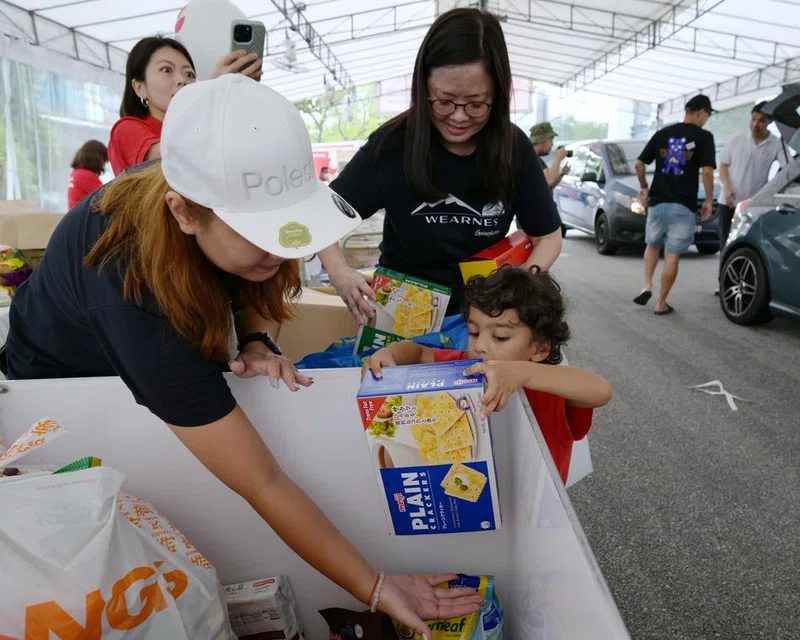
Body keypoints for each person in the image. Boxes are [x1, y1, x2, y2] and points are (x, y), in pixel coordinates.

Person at [4, 75, 480, 636]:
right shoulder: (131, 294)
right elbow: (261, 480)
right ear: (183, 213)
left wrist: (258, 339)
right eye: (262, 234)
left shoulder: (198, 198)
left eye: (291, 232)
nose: (282, 252)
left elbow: (254, 279)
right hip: (62, 398)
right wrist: (375, 586)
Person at [324, 8, 563, 324]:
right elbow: (324, 216)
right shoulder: (392, 145)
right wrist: (340, 273)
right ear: (423, 87)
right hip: (402, 308)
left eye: (476, 104)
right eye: (445, 101)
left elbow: (548, 237)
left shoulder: (513, 148)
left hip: (483, 314)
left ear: (498, 95)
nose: (460, 116)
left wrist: (518, 287)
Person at [363, 266, 612, 484]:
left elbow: (601, 390)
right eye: (473, 332)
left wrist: (521, 373)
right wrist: (390, 353)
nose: (480, 345)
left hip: (535, 514)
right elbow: (417, 353)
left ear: (540, 348)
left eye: (500, 337)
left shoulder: (553, 387)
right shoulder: (466, 367)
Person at [108, 36, 262, 176]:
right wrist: (211, 92)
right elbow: (171, 156)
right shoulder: (126, 129)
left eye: (189, 74)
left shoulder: (200, 126)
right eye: (166, 70)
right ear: (139, 87)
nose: (182, 80)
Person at [633, 95, 717, 315]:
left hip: (658, 201)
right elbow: (707, 171)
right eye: (707, 115)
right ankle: (661, 303)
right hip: (683, 205)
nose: (706, 119)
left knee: (652, 245)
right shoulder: (704, 137)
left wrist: (644, 187)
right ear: (701, 112)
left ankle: (647, 285)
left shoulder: (662, 134)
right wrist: (708, 200)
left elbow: (639, 163)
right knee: (672, 255)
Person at [718, 101, 786, 246]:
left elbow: (788, 168)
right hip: (728, 202)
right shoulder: (736, 138)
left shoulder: (776, 144)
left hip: (754, 205)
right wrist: (727, 188)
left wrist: (771, 191)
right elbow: (723, 165)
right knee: (726, 245)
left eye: (761, 120)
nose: (755, 124)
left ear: (770, 121)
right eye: (753, 119)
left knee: (749, 245)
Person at [67, 140, 109, 208]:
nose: (103, 165)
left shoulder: (76, 173)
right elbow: (106, 198)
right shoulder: (87, 176)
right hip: (83, 217)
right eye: (104, 160)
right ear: (97, 159)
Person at [529, 122, 570, 188]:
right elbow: (549, 180)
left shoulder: (537, 159)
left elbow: (548, 186)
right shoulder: (530, 159)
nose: (552, 144)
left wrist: (561, 174)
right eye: (550, 140)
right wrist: (558, 158)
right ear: (542, 140)